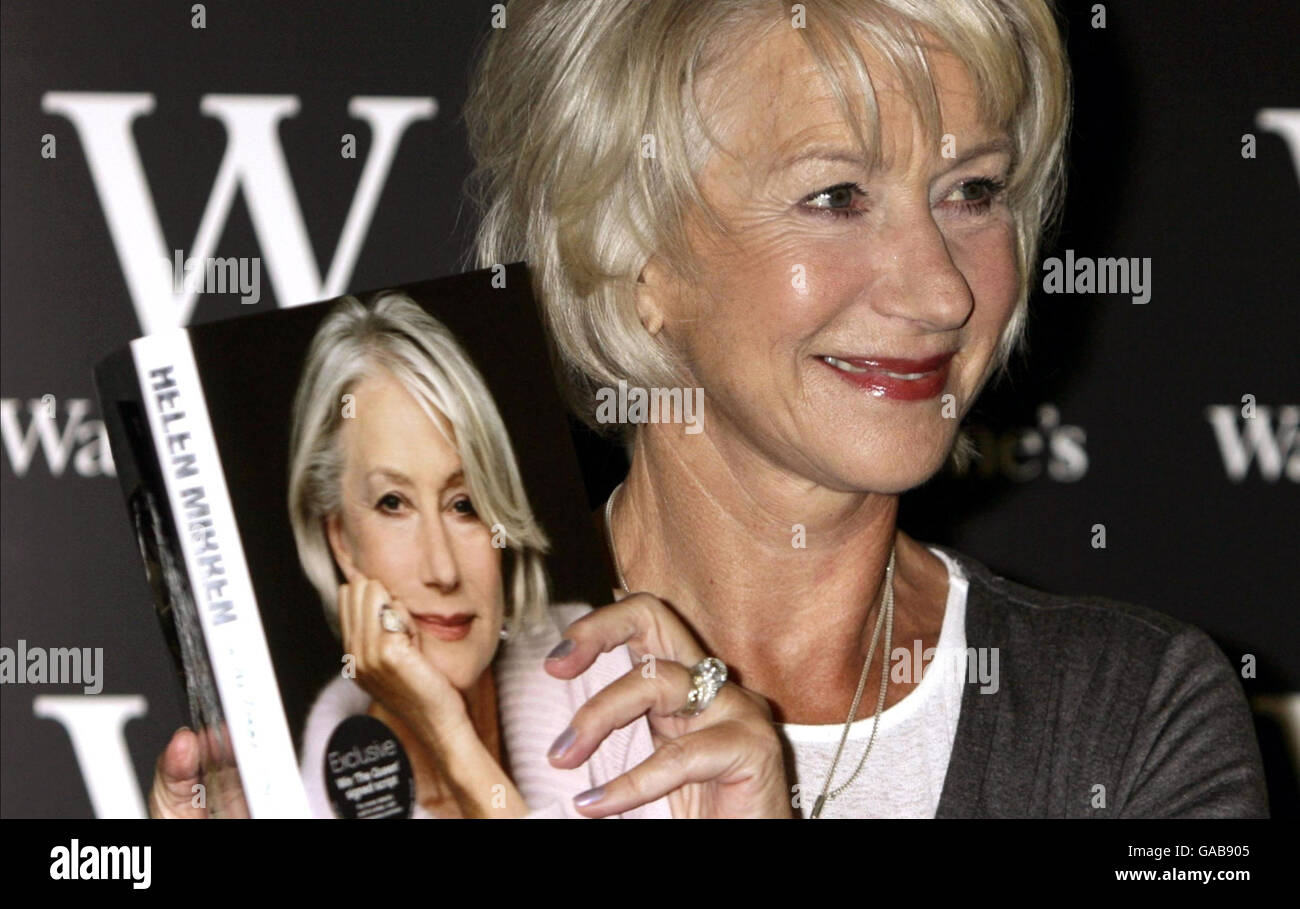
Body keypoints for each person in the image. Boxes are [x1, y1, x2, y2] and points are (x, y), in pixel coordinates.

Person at [457, 0, 1269, 817]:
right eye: (837, 196)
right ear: (632, 251)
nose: (942, 291)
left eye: (973, 191)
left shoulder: (1131, 714)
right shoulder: (443, 687)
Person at [151, 292, 681, 818]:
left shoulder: (610, 676)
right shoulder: (305, 805)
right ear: (341, 540)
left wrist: (452, 743)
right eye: (393, 503)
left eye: (464, 505)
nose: (442, 570)